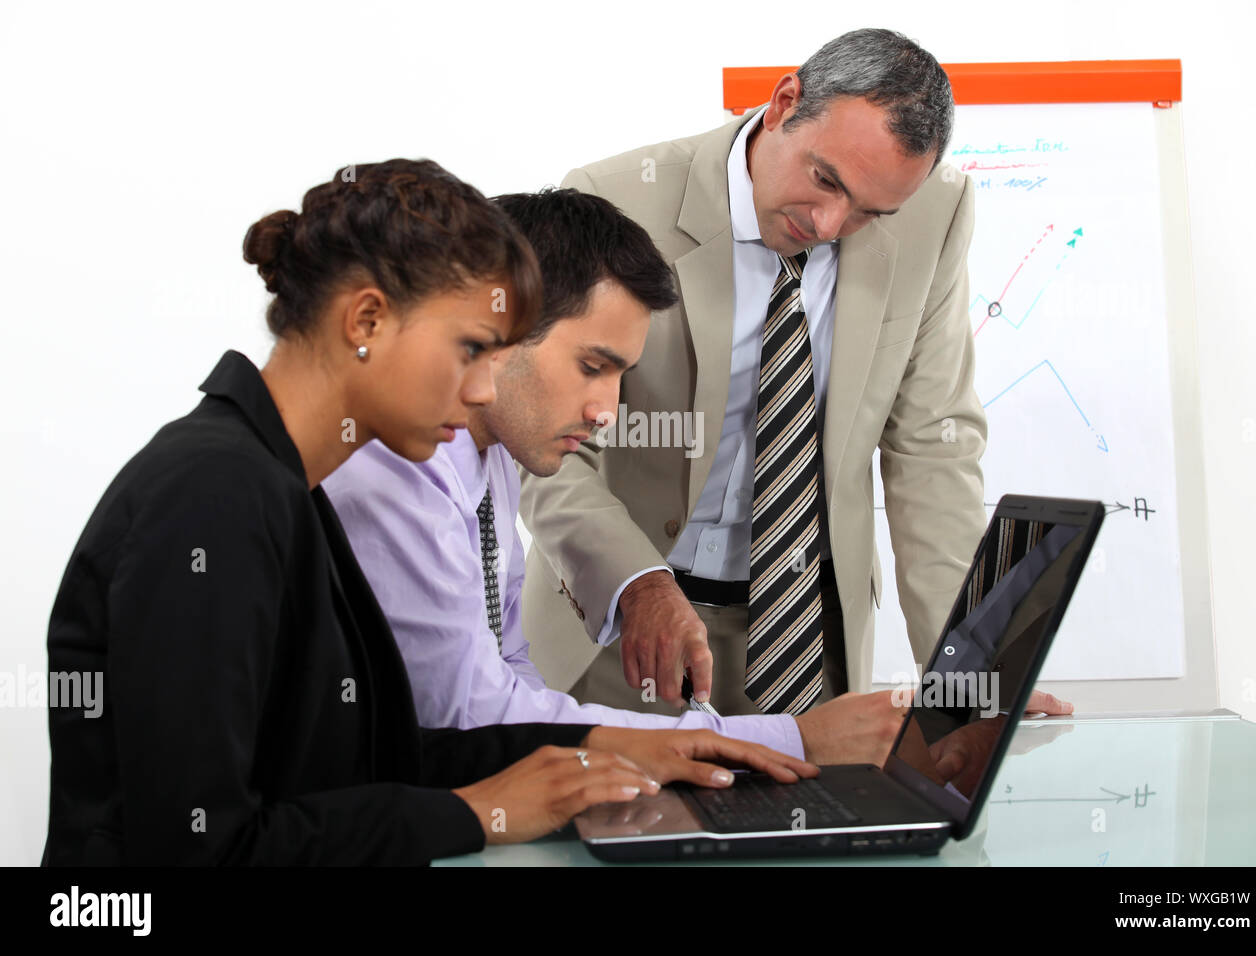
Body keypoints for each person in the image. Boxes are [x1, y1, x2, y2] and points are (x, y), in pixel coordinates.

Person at [41, 159, 815, 867]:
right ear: (366, 322)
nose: (481, 390)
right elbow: (196, 851)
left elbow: (369, 754)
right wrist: (473, 814)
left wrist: (606, 749)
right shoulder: (217, 495)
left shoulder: (279, 482)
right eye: (473, 349)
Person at [518, 28, 1073, 723]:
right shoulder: (615, 198)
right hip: (623, 628)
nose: (831, 223)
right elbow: (535, 438)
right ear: (784, 103)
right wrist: (636, 581)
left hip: (811, 640)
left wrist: (974, 665)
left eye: (871, 212)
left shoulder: (938, 214)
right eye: (826, 180)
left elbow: (932, 447)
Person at [323, 187, 909, 768]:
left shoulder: (491, 452)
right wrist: (788, 740)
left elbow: (511, 671)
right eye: (592, 367)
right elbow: (471, 717)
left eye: (620, 376)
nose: (606, 412)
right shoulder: (399, 465)